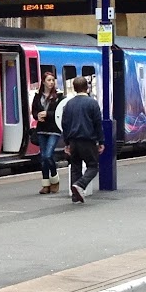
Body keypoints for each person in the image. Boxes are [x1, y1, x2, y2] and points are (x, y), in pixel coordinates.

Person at [58, 76, 104, 204]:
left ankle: (75, 196)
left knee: (75, 167)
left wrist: (67, 143)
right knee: (93, 166)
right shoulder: (92, 103)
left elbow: (65, 124)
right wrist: (101, 141)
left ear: (74, 88)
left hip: (73, 141)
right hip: (88, 140)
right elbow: (97, 124)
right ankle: (80, 185)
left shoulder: (69, 104)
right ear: (87, 87)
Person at [29, 70, 65, 195]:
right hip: (41, 129)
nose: (51, 82)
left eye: (52, 80)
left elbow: (61, 112)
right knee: (42, 158)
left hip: (54, 129)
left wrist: (47, 114)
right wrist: (37, 116)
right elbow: (33, 111)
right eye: (49, 80)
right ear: (43, 82)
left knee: (48, 155)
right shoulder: (37, 97)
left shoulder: (59, 96)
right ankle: (46, 184)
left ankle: (54, 178)